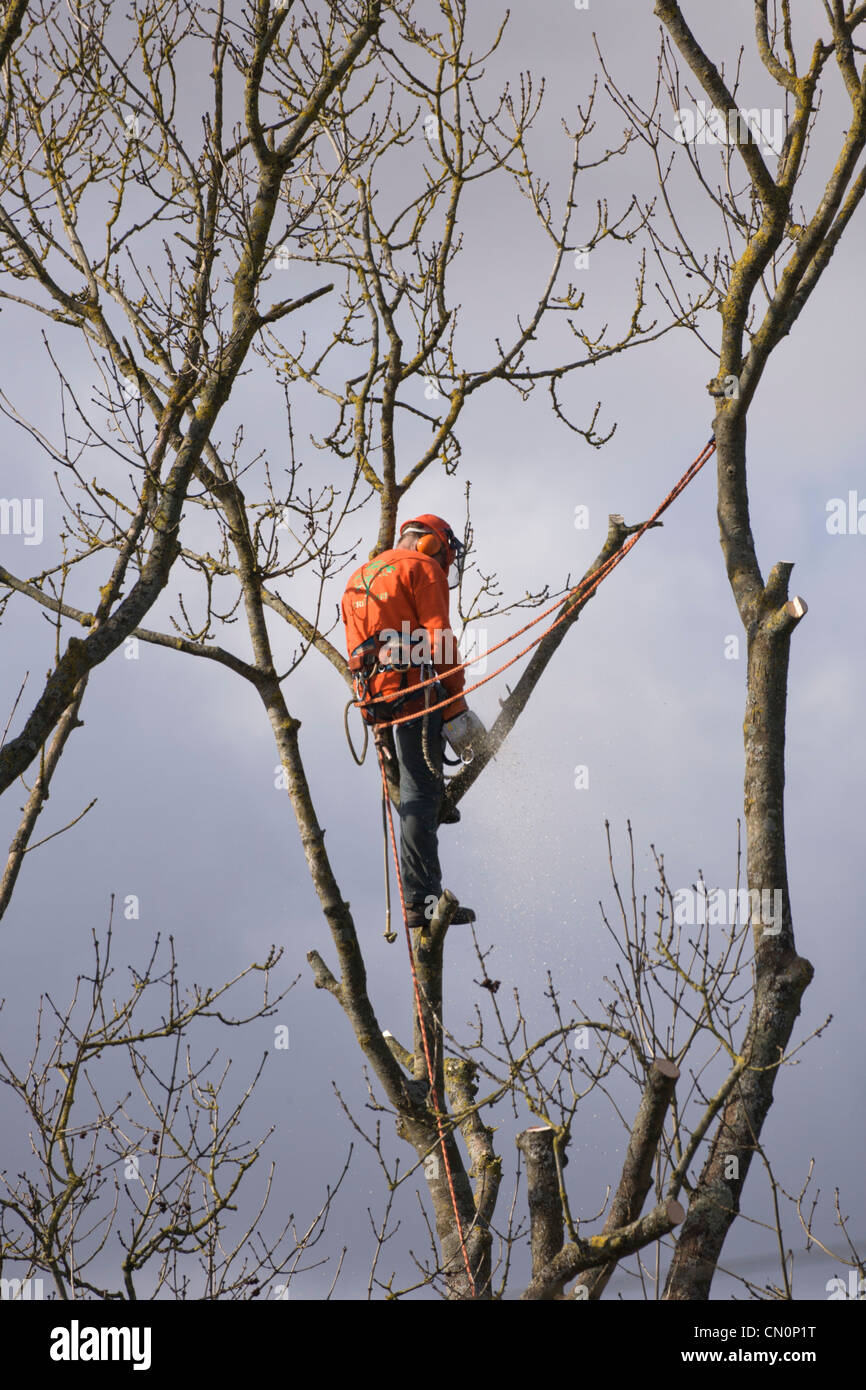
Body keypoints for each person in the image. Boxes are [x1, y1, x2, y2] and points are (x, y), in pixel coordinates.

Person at [341, 514, 486, 929]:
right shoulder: (422, 568)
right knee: (417, 798)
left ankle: (436, 806)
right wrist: (456, 705)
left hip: (378, 700)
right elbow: (439, 637)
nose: (443, 566)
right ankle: (423, 903)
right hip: (415, 696)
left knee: (414, 794)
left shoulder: (359, 576)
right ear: (429, 544)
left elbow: (358, 650)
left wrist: (372, 714)